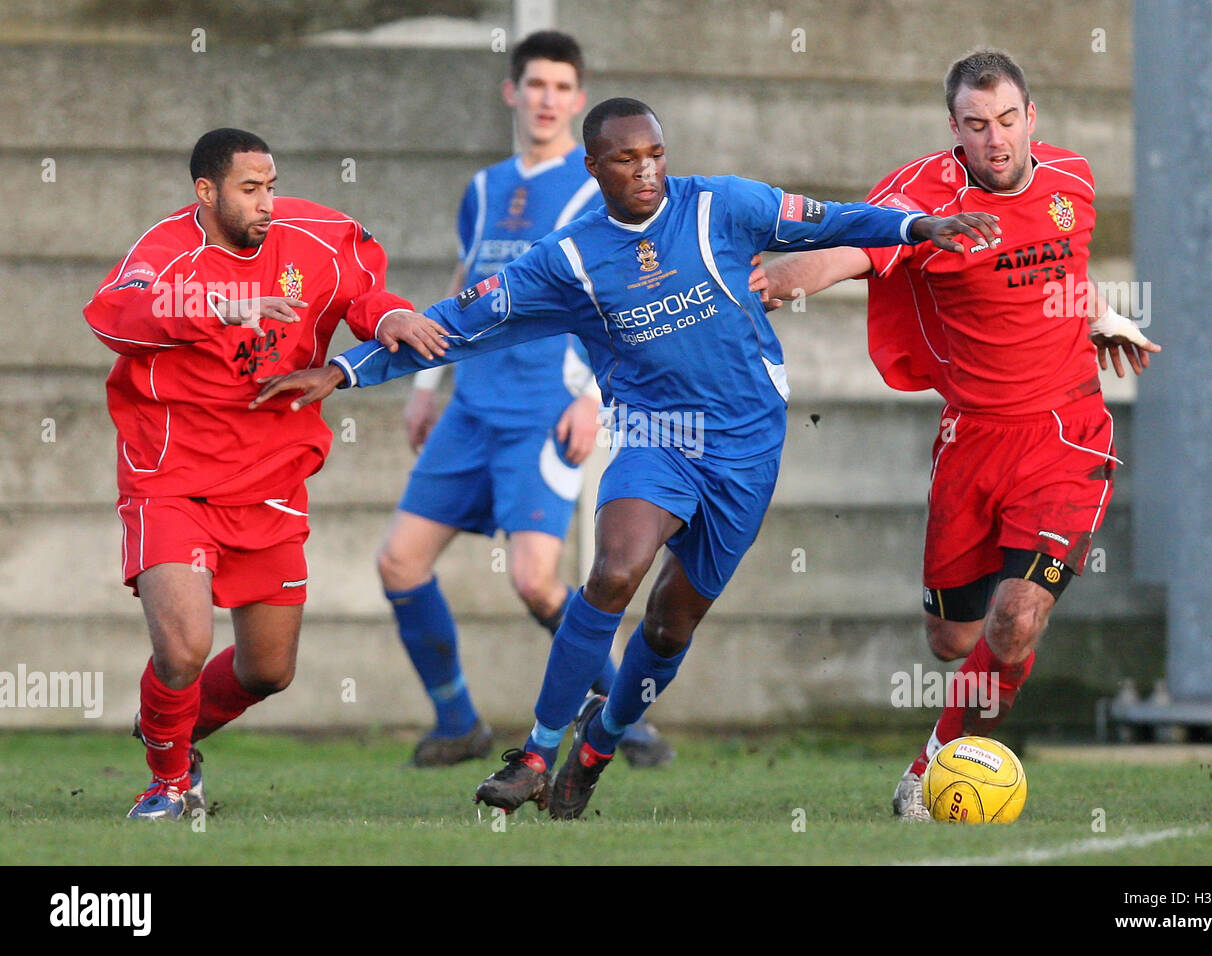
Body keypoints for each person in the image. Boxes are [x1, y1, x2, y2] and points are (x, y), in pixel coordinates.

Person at [252, 97, 998, 819]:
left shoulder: (721, 206)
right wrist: (346, 372)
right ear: (594, 167)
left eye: (655, 154)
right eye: (625, 159)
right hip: (656, 436)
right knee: (613, 571)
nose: (646, 171)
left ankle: (598, 743)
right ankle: (537, 756)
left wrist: (916, 224)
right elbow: (458, 323)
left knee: (670, 628)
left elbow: (829, 219)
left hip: (747, 444)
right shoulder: (570, 257)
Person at [760, 49, 1161, 820]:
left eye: (1009, 120)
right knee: (952, 639)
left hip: (1068, 434)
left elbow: (1065, 270)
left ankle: (932, 765)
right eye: (977, 125)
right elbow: (856, 249)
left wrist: (1103, 317)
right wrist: (789, 275)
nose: (996, 139)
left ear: (1031, 117)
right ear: (955, 129)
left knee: (1015, 619)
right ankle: (995, 672)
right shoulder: (926, 201)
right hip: (972, 440)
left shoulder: (1073, 180)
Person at [85, 127, 442, 819]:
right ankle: (167, 781)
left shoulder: (315, 236)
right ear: (207, 192)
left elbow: (363, 294)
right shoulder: (166, 253)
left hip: (272, 481)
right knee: (184, 650)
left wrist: (392, 314)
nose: (267, 202)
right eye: (250, 190)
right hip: (172, 477)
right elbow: (114, 317)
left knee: (268, 671)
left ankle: (168, 725)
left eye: (271, 186)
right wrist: (216, 306)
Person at [379, 31, 671, 769]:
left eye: (561, 88)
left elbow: (629, 294)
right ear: (513, 92)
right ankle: (458, 724)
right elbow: (462, 284)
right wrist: (426, 384)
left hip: (546, 409)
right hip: (471, 407)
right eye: (534, 85)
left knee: (535, 581)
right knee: (399, 564)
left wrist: (591, 399)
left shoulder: (594, 184)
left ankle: (625, 722)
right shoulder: (482, 188)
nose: (546, 99)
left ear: (578, 99)